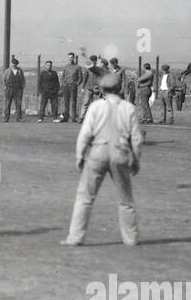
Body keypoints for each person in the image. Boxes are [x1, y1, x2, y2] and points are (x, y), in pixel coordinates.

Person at [62, 70, 143, 247]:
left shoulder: (96, 106)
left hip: (97, 152)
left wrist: (79, 156)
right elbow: (136, 138)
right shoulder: (129, 108)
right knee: (125, 200)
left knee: (85, 197)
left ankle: (75, 238)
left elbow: (84, 134)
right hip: (120, 153)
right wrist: (135, 159)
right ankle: (131, 239)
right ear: (120, 87)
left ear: (102, 89)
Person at [58, 52, 83, 123]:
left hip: (73, 86)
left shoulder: (78, 67)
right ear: (68, 58)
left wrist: (76, 84)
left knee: (73, 102)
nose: (70, 59)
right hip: (66, 86)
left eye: (72, 57)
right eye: (69, 57)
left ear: (74, 58)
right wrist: (63, 84)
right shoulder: (66, 66)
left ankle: (73, 118)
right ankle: (66, 117)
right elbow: (63, 76)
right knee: (66, 102)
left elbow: (80, 77)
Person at [4, 57, 26, 121]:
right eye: (12, 63)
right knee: (7, 104)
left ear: (17, 64)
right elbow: (3, 79)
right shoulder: (7, 71)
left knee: (18, 104)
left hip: (18, 90)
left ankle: (18, 118)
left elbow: (23, 80)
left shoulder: (20, 71)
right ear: (11, 64)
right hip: (9, 89)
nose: (13, 65)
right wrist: (5, 86)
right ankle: (6, 118)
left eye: (15, 64)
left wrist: (22, 88)